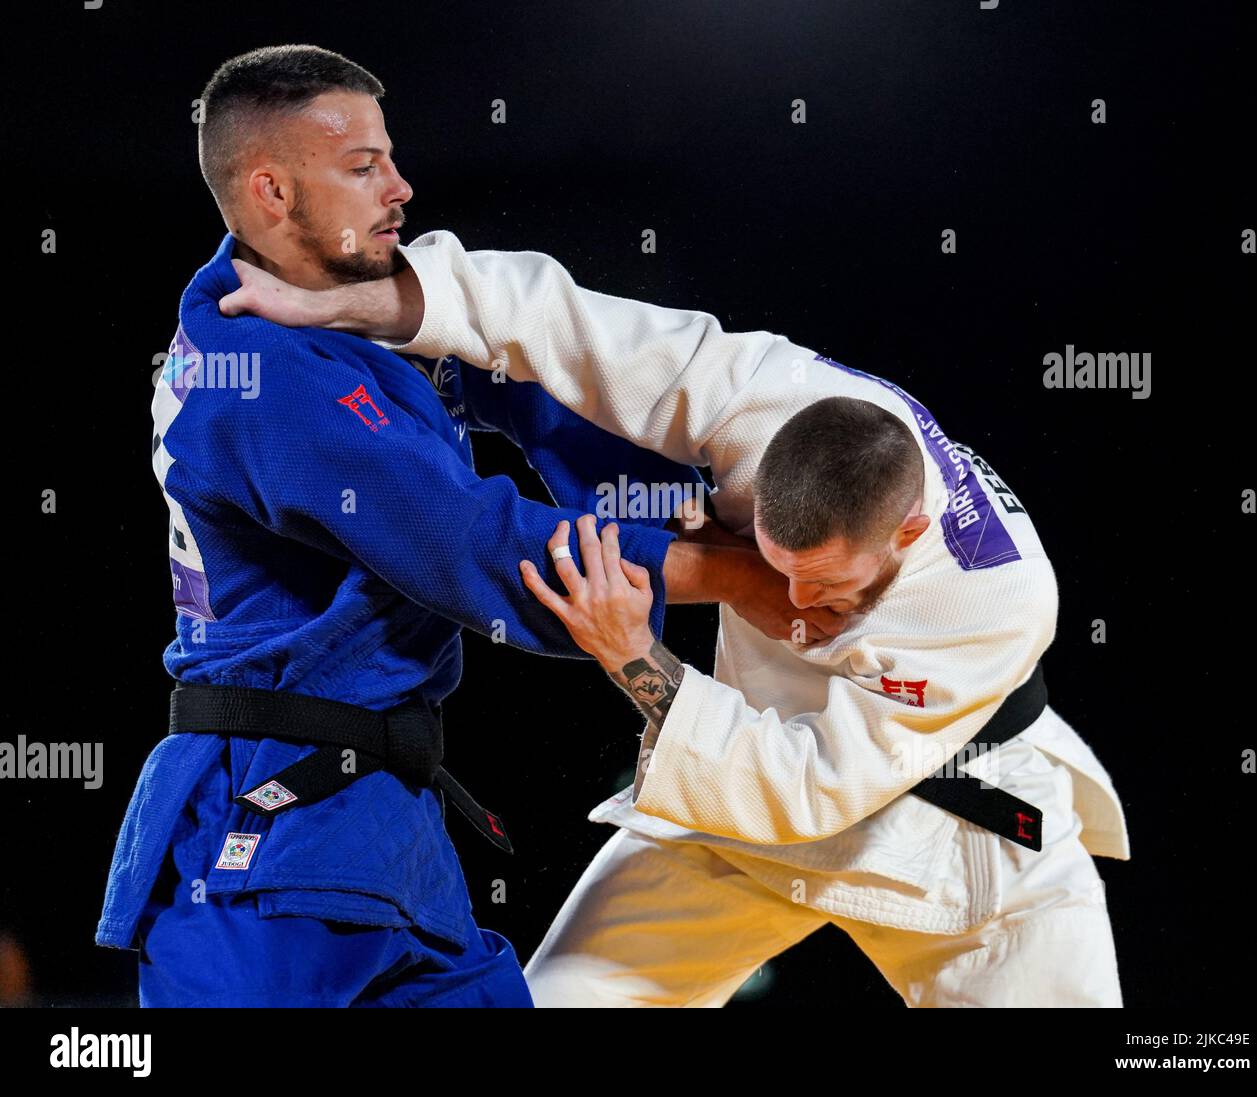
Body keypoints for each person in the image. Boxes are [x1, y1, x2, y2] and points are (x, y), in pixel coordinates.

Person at [224, 224, 1133, 1008]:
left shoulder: (992, 600)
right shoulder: (763, 392)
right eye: (779, 570)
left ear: (910, 530)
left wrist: (633, 654)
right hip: (735, 806)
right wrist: (367, 298)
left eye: (831, 591)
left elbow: (808, 786)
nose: (798, 607)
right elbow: (569, 322)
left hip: (967, 837)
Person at [96, 44, 822, 1009]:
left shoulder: (323, 306)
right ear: (270, 191)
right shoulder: (266, 379)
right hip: (262, 846)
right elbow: (477, 546)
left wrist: (674, 496)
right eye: (361, 167)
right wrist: (738, 573)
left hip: (377, 828)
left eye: (389, 156)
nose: (399, 186)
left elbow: (511, 377)